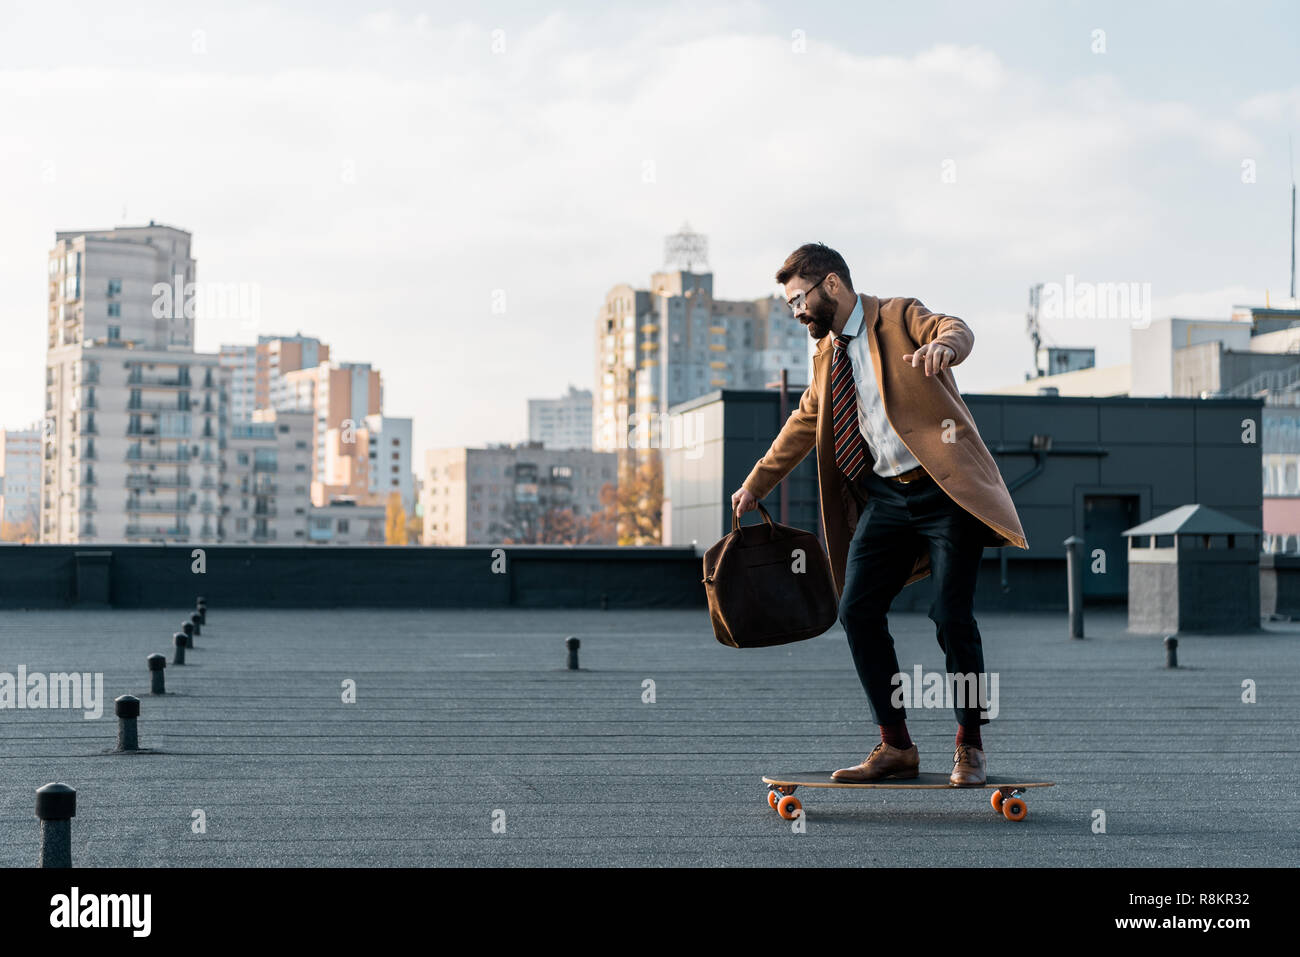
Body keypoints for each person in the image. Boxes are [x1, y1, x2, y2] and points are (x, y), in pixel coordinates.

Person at [731, 243, 1028, 785]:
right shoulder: (826, 355)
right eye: (789, 304)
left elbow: (954, 327)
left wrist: (945, 348)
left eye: (799, 299)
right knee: (857, 611)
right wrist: (756, 484)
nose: (796, 312)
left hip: (945, 493)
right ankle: (896, 746)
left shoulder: (897, 315)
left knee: (950, 618)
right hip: (887, 498)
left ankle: (970, 745)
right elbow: (804, 422)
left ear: (833, 286)